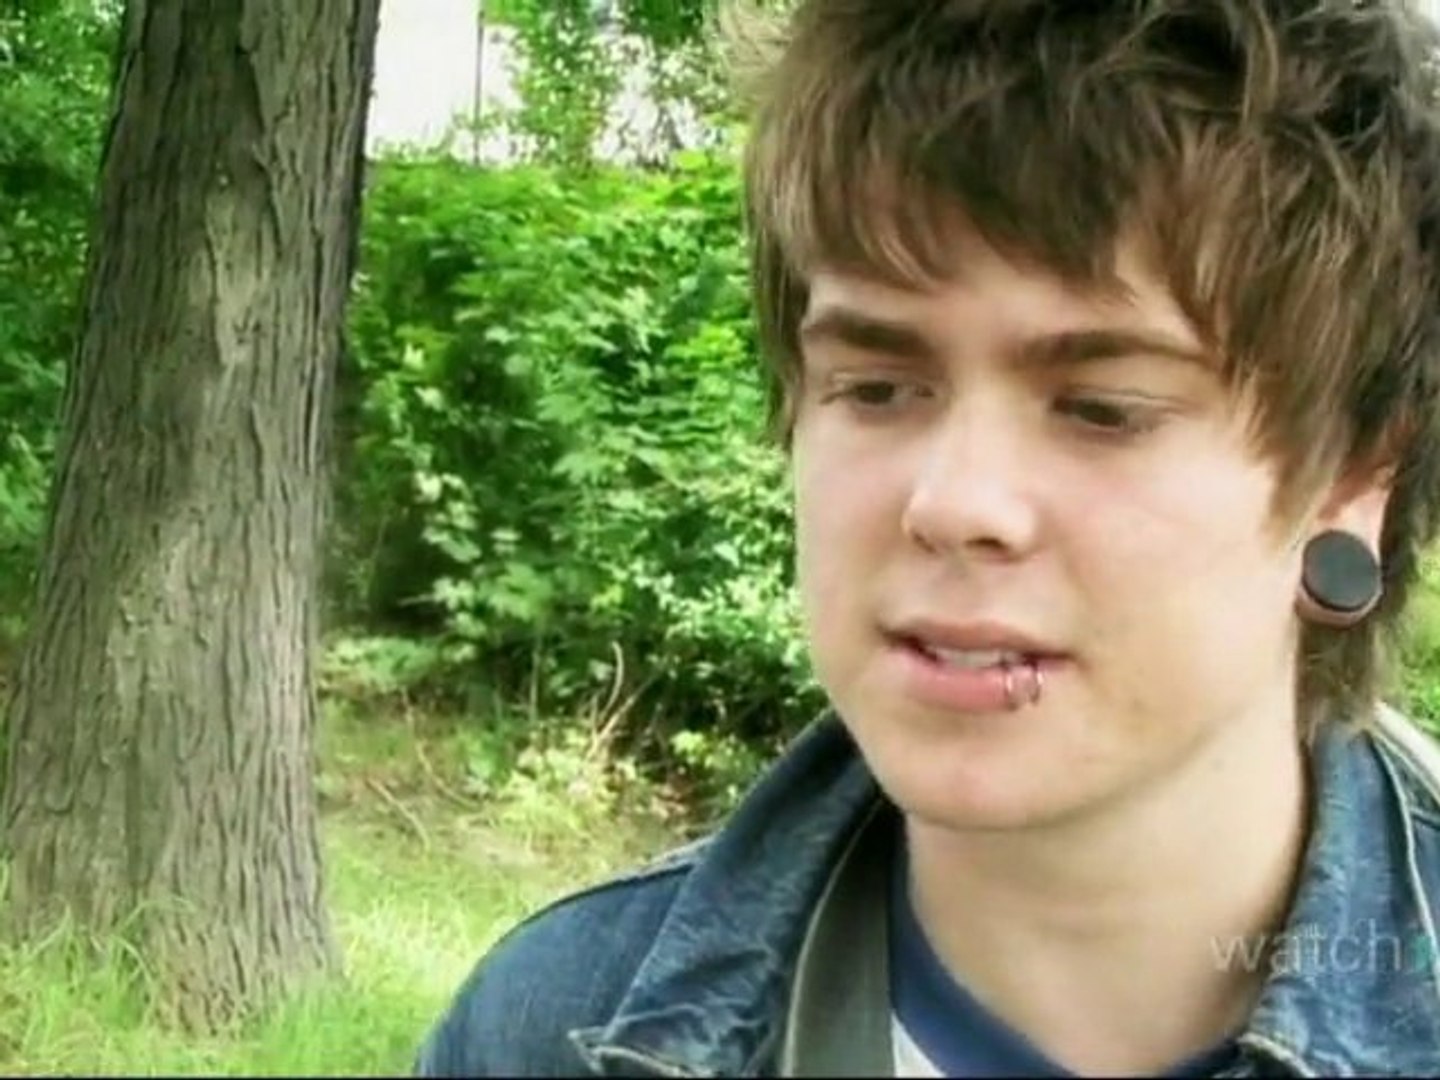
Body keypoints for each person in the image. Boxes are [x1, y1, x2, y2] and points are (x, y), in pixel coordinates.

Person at [414, 1, 1440, 1075]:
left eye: (1103, 408)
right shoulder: (551, 1030)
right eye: (878, 387)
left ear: (1353, 478)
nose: (955, 504)